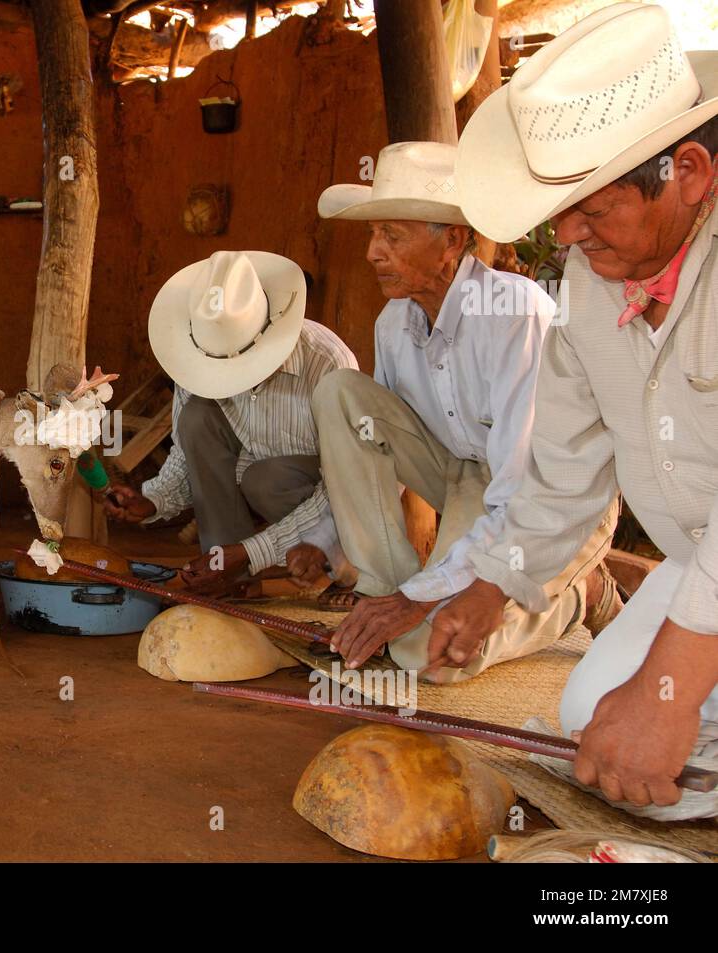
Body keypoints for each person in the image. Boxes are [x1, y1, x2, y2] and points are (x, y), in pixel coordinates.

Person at [435, 2, 718, 815]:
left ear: (689, 172)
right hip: (700, 569)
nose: (566, 236)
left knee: (652, 727)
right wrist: (494, 588)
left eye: (592, 208)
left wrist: (669, 695)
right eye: (559, 207)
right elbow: (563, 470)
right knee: (591, 718)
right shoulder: (590, 292)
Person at [290, 141, 618, 682]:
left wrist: (422, 601)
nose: (373, 252)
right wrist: (325, 541)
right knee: (340, 394)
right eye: (373, 235)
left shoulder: (516, 314)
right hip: (466, 479)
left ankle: (576, 598)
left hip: (549, 497)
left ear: (454, 242)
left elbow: (521, 485)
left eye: (391, 236)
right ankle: (378, 593)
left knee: (430, 659)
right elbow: (378, 449)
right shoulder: (394, 323)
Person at [105, 250, 357, 596]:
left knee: (263, 481)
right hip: (249, 472)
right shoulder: (196, 355)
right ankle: (226, 573)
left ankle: (336, 566)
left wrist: (252, 552)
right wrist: (154, 499)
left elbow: (346, 487)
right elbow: (187, 449)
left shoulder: (326, 363)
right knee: (197, 418)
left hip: (321, 489)